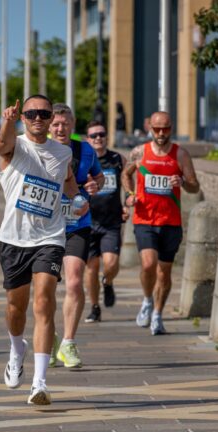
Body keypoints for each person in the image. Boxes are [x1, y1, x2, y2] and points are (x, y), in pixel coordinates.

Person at [0, 95, 84, 405]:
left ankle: (39, 383)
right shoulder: (15, 146)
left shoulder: (63, 152)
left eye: (43, 113)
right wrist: (8, 119)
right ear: (23, 118)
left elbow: (68, 180)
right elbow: (1, 146)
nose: (37, 118)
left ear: (50, 118)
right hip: (13, 239)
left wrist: (77, 199)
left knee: (44, 302)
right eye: (31, 113)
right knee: (15, 309)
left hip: (50, 237)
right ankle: (16, 348)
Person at [121, 111, 200, 335]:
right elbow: (125, 174)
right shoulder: (139, 152)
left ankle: (157, 314)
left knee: (164, 273)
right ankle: (147, 299)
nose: (161, 133)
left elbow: (195, 187)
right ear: (150, 128)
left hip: (171, 222)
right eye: (157, 129)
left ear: (171, 128)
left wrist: (183, 181)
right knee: (148, 264)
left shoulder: (180, 155)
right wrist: (129, 194)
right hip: (145, 219)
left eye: (165, 128)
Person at [48, 104, 104, 368]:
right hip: (45, 228)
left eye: (65, 124)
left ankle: (68, 343)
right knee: (44, 290)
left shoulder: (85, 149)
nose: (61, 129)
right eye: (56, 124)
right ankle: (49, 336)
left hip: (77, 223)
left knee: (73, 283)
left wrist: (94, 185)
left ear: (73, 124)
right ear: (49, 126)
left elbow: (99, 178)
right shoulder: (40, 150)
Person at [84, 120, 127, 323]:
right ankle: (94, 307)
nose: (98, 138)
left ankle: (108, 282)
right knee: (91, 268)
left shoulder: (118, 159)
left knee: (111, 263)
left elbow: (128, 183)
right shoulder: (83, 161)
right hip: (87, 222)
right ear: (87, 139)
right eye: (93, 136)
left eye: (101, 134)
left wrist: (128, 201)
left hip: (111, 222)